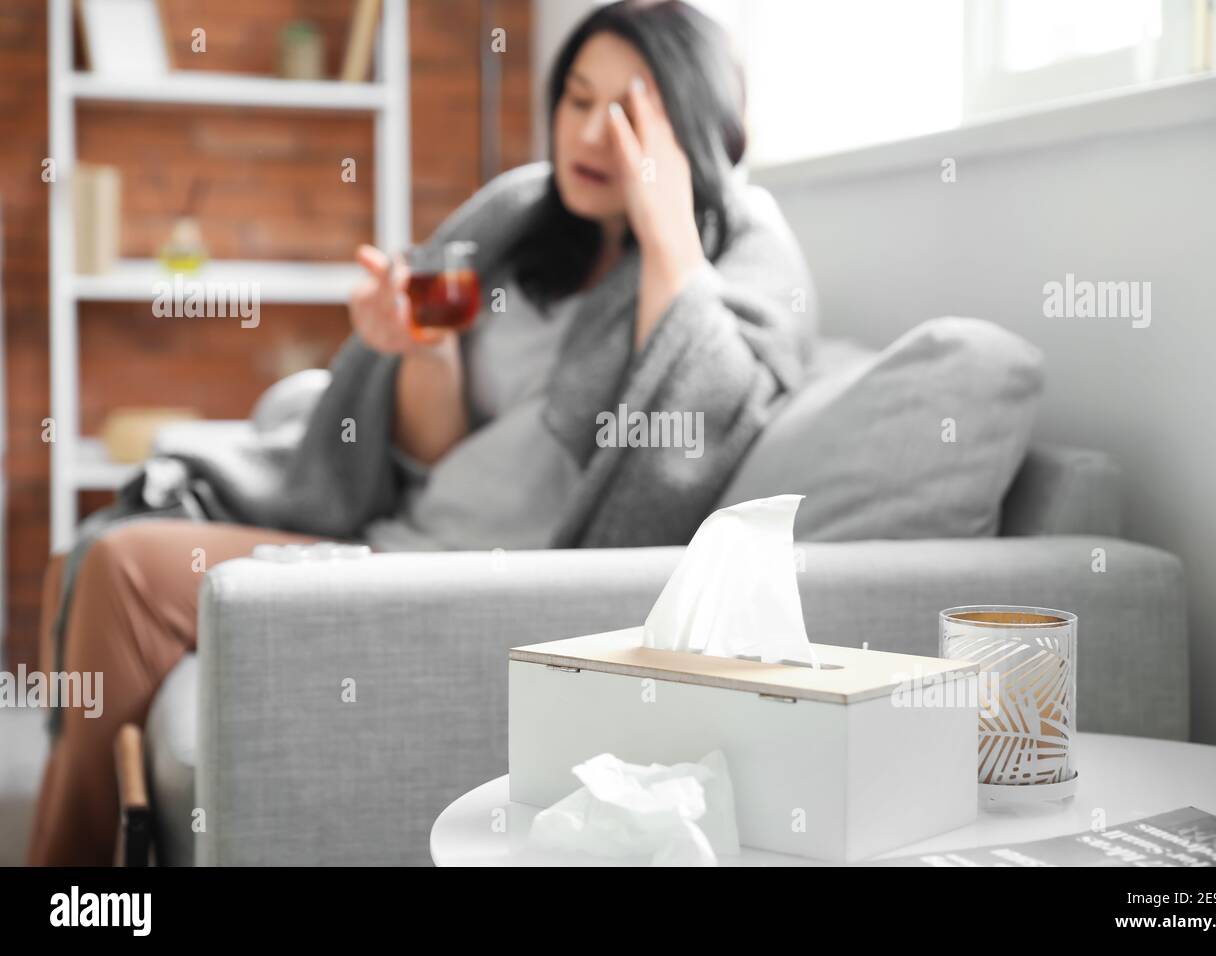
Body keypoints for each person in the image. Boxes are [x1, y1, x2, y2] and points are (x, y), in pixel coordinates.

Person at [28, 0, 816, 865]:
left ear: (692, 130)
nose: (591, 132)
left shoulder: (732, 260)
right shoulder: (521, 226)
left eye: (629, 112)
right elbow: (436, 455)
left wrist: (665, 234)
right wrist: (418, 349)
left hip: (478, 582)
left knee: (123, 568)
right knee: (87, 562)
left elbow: (684, 437)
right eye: (576, 99)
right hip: (400, 535)